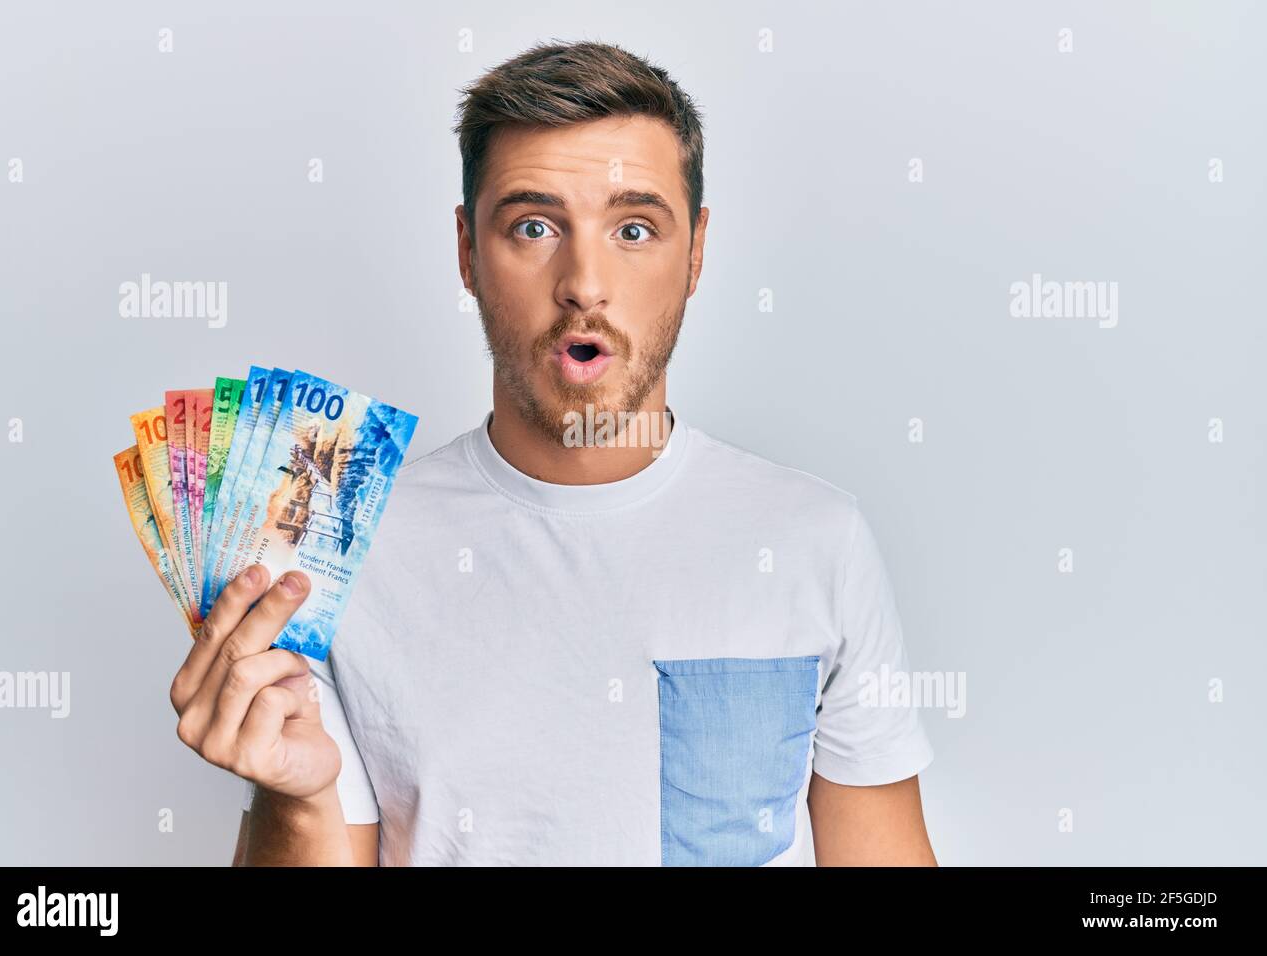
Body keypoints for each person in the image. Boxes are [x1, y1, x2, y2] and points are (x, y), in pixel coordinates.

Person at [170, 39, 937, 866]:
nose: (584, 282)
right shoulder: (334, 560)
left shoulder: (814, 539)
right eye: (533, 226)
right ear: (467, 251)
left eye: (634, 228)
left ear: (698, 252)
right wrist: (295, 800)